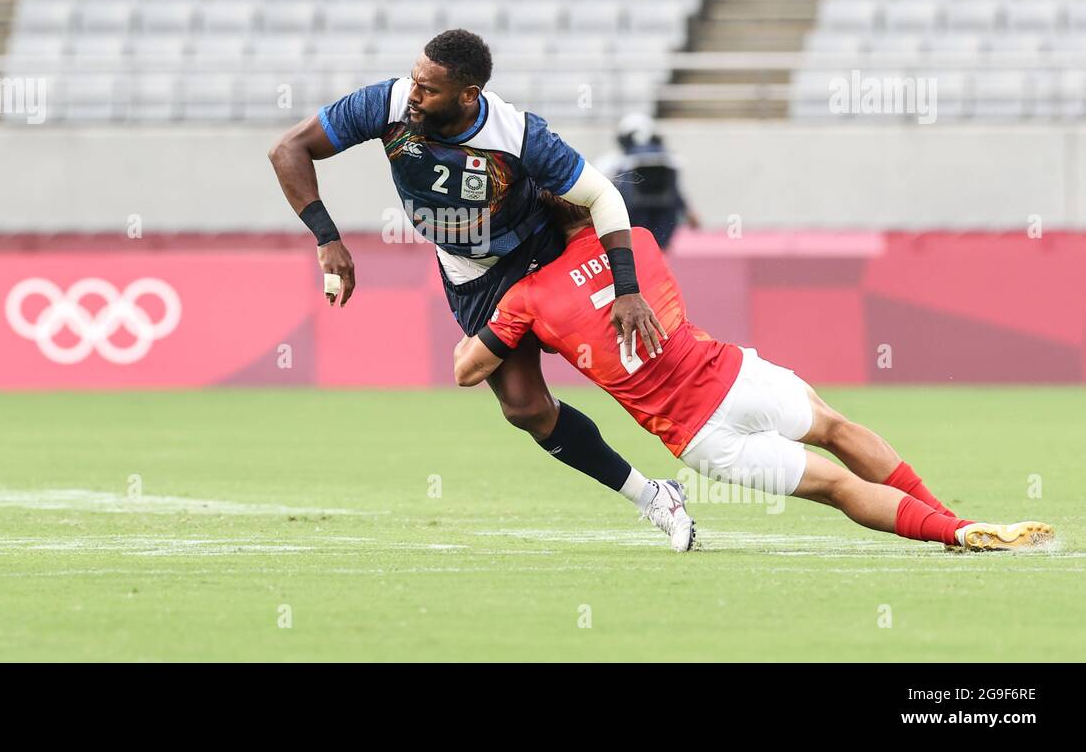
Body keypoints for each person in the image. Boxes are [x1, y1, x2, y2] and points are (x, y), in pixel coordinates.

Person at [452, 193, 1055, 553]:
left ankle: (952, 535)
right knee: (838, 429)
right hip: (733, 377)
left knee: (836, 488)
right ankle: (953, 520)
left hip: (700, 437)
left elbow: (467, 370)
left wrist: (497, 312)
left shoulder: (530, 298)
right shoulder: (639, 241)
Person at [268, 30, 689, 536]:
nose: (413, 94)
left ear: (468, 95)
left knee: (632, 363)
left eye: (428, 89)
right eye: (414, 80)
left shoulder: (517, 134)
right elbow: (288, 149)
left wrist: (628, 289)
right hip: (472, 274)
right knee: (525, 408)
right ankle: (653, 495)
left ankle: (725, 426)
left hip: (544, 254)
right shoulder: (389, 103)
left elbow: (603, 195)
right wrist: (327, 238)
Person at [599, 112, 699, 249]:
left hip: (642, 222)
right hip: (652, 222)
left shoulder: (613, 162)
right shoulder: (668, 159)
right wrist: (689, 212)